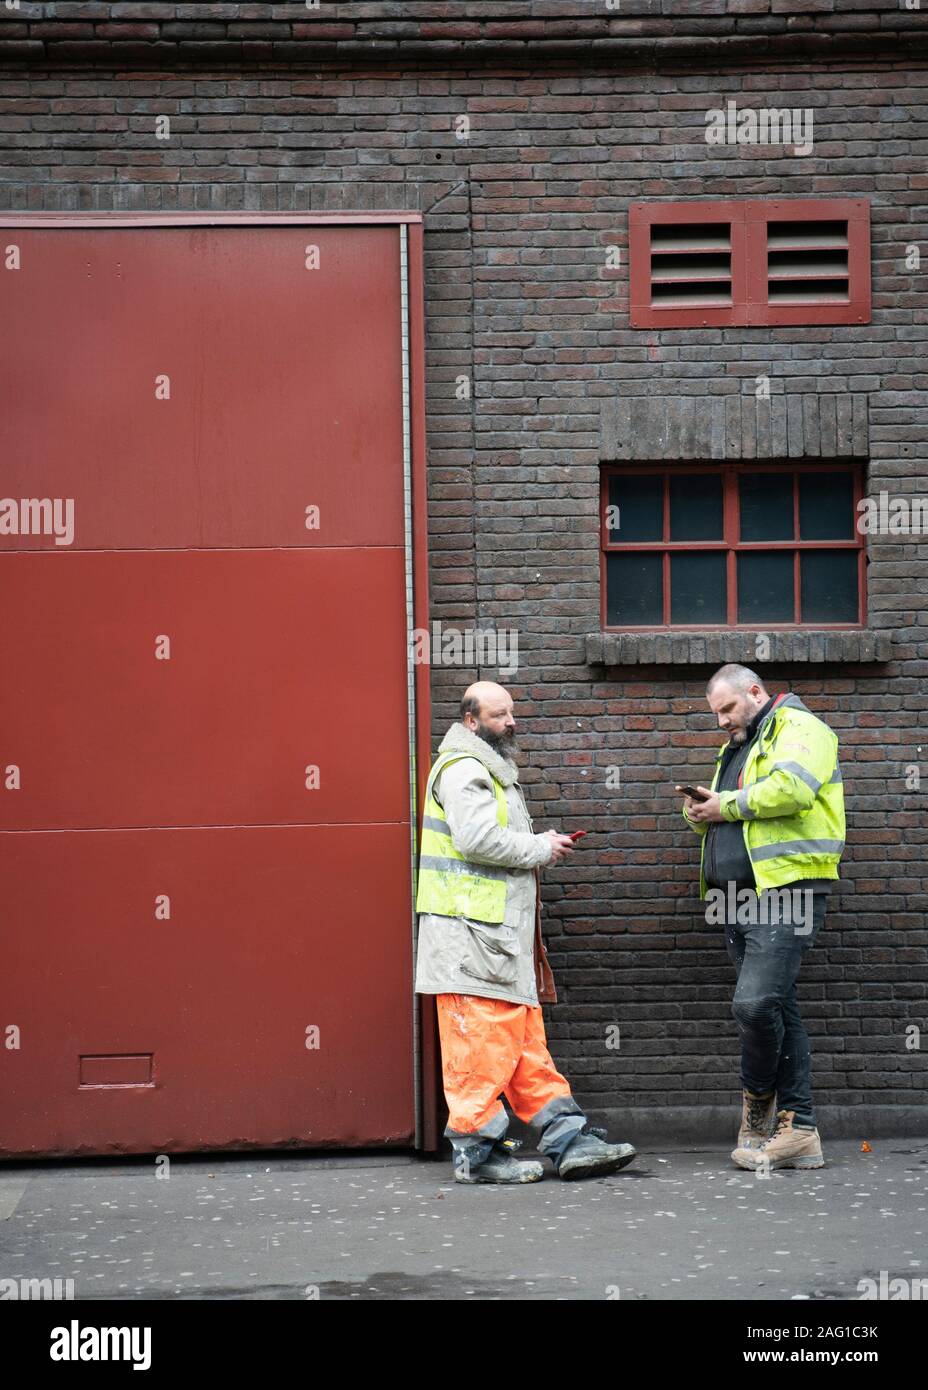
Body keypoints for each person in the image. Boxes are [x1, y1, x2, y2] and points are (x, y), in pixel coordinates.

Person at [415, 680, 637, 1184]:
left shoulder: (490, 772)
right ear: (471, 722)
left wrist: (540, 845)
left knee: (523, 1047)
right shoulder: (466, 770)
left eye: (511, 713)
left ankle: (568, 1138)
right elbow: (476, 840)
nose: (511, 722)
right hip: (471, 943)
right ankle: (477, 1153)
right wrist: (541, 847)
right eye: (499, 715)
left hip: (493, 940)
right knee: (478, 1051)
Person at [682, 664, 845, 1171]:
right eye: (715, 713)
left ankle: (757, 1104)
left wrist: (724, 807)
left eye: (728, 708)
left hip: (786, 893)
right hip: (736, 899)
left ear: (755, 692)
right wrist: (701, 816)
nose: (721, 721)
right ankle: (800, 1131)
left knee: (754, 1005)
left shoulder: (801, 729)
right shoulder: (738, 746)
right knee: (778, 1007)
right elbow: (736, 816)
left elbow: (791, 792)